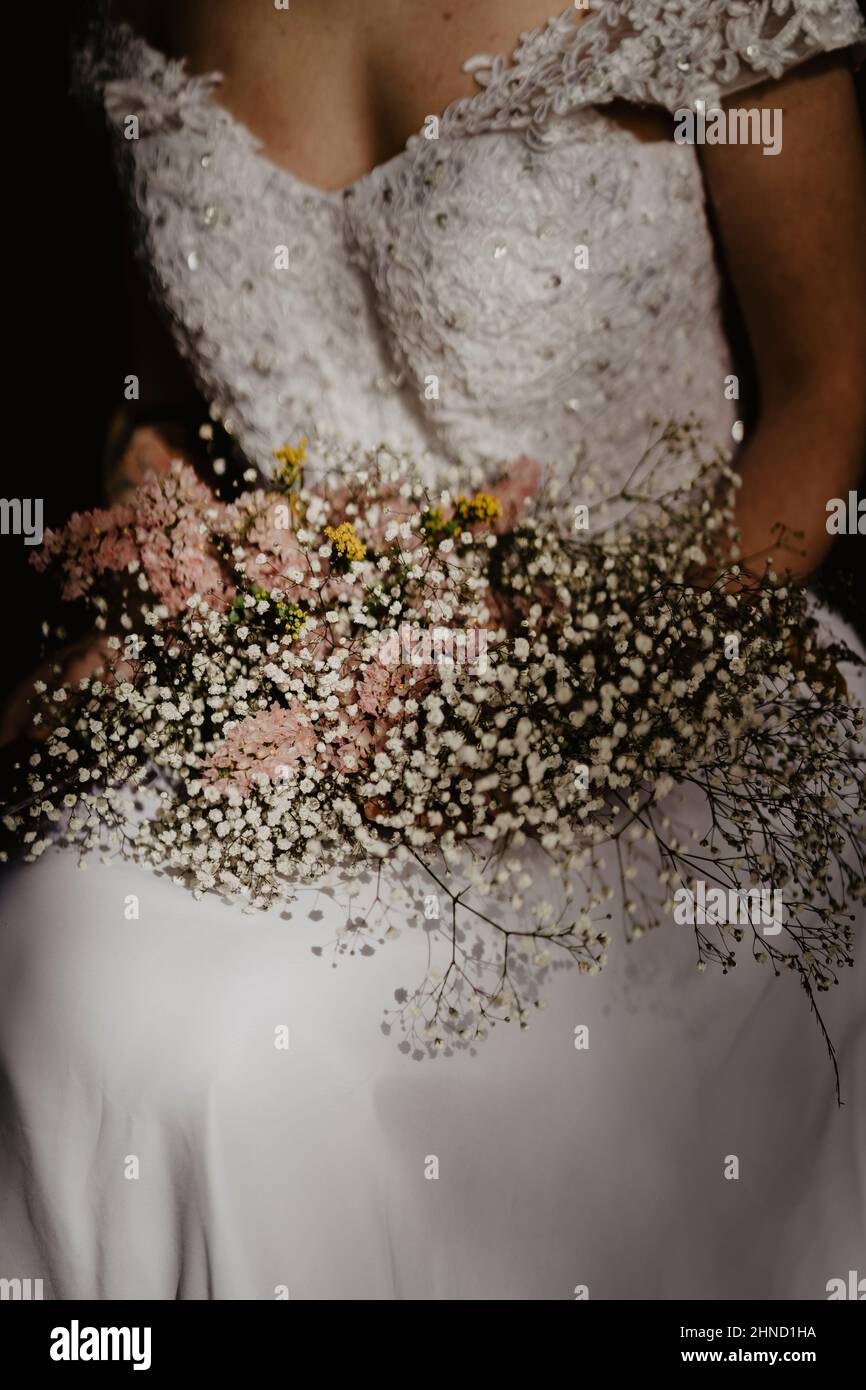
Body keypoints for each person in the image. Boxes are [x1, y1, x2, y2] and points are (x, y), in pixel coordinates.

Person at [0, 0, 864, 1300]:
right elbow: (162, 405)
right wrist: (177, 561)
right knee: (66, 960)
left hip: (667, 679)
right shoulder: (145, 17)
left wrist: (589, 686)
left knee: (294, 1078)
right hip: (300, 698)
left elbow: (823, 398)